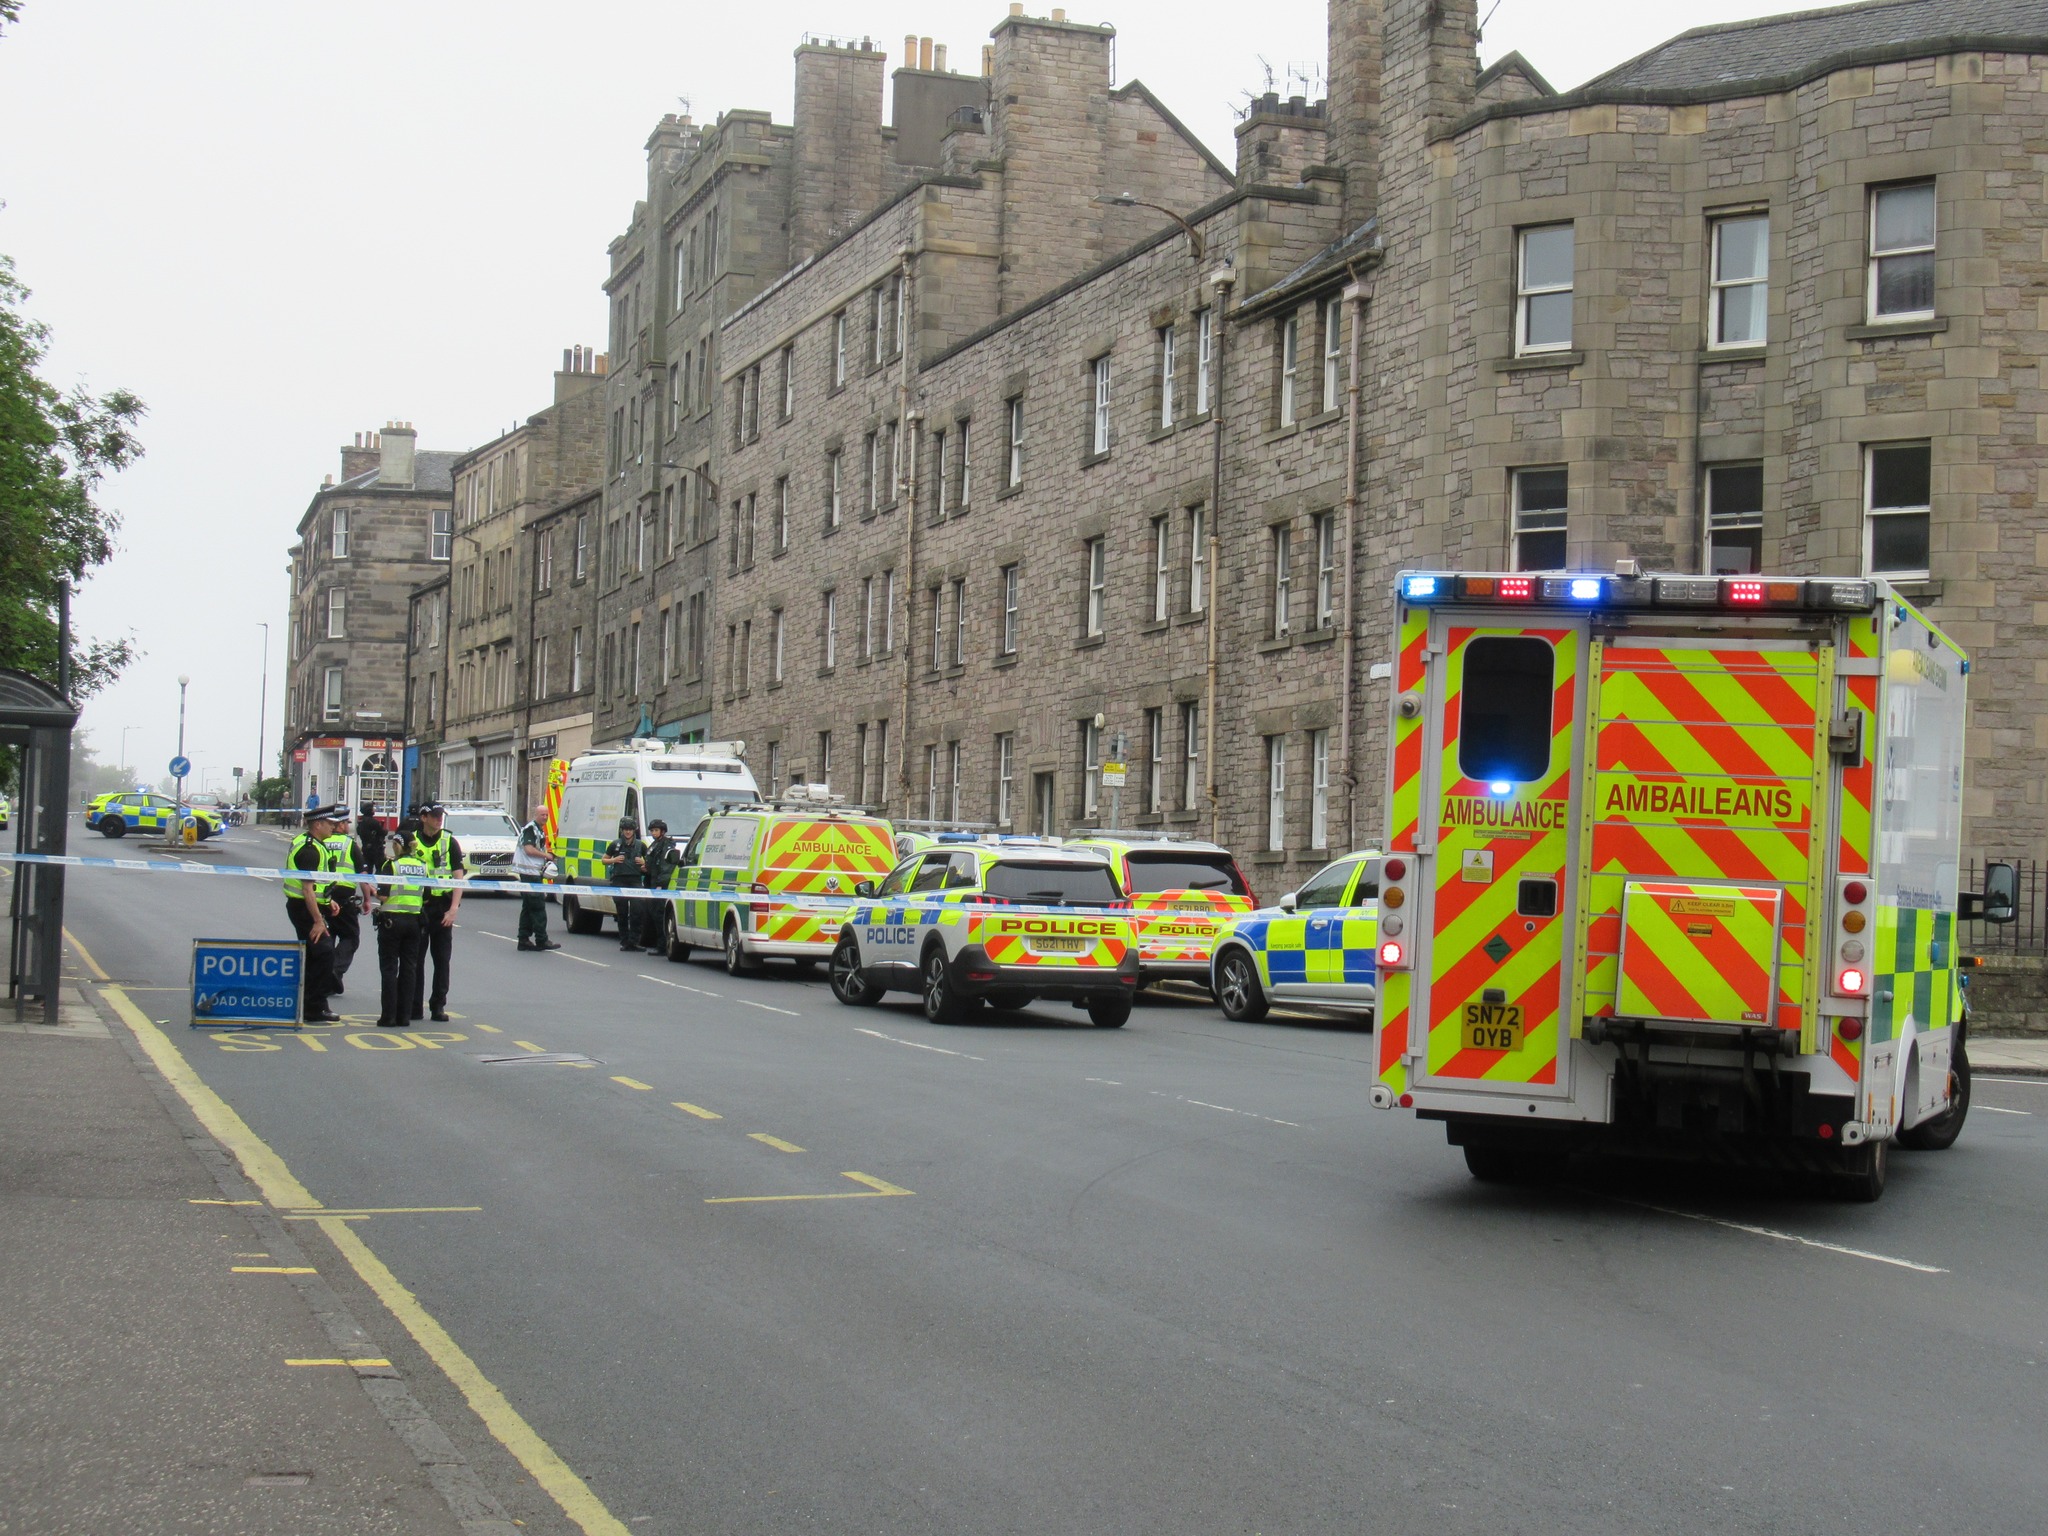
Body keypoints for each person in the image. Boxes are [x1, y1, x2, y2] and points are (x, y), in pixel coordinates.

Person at [407, 802, 465, 1022]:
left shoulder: (449, 841)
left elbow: (458, 877)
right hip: (419, 906)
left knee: (441, 960)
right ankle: (415, 1006)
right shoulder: (411, 840)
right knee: (416, 960)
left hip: (442, 908)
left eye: (441, 815)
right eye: (434, 815)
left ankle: (438, 1005)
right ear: (423, 818)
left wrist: (453, 909)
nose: (439, 819)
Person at [284, 807, 342, 1023]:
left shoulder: (314, 844)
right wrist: (318, 921)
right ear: (317, 825)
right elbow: (307, 889)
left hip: (306, 906)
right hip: (304, 910)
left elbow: (316, 886)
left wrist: (329, 901)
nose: (333, 826)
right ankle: (315, 1007)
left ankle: (310, 1004)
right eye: (329, 823)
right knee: (324, 953)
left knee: (314, 955)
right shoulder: (310, 850)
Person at [370, 831, 428, 1027]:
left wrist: (373, 892)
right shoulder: (422, 866)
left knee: (389, 969)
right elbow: (425, 896)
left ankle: (388, 1016)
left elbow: (384, 896)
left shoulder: (391, 866)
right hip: (414, 923)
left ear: (397, 845)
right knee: (409, 969)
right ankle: (404, 1016)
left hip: (392, 922)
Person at [322, 816, 365, 997]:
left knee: (328, 935)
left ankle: (325, 977)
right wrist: (368, 899)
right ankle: (335, 969)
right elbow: (362, 874)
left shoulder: (322, 842)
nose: (348, 826)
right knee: (351, 936)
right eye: (346, 823)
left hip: (324, 894)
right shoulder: (350, 844)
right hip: (345, 895)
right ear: (339, 825)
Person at [514, 802, 561, 952]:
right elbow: (528, 849)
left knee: (528, 907)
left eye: (547, 815)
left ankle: (523, 940)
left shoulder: (538, 830)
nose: (545, 817)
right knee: (538, 906)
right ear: (536, 815)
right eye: (543, 815)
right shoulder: (530, 829)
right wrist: (546, 856)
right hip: (530, 874)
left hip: (534, 873)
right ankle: (542, 939)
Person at [601, 816, 648, 951]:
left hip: (635, 880)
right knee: (622, 912)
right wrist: (614, 860)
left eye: (630, 829)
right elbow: (604, 860)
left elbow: (649, 863)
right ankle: (624, 941)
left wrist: (644, 863)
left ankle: (634, 941)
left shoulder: (640, 845)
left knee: (637, 911)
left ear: (634, 831)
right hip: (619, 880)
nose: (628, 832)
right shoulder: (615, 844)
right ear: (622, 830)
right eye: (625, 829)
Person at [639, 818, 679, 954]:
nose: (653, 833)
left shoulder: (666, 845)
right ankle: (660, 944)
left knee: (660, 915)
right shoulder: (655, 844)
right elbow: (653, 864)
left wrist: (660, 886)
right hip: (652, 883)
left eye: (656, 830)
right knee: (654, 915)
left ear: (662, 831)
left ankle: (662, 946)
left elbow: (666, 868)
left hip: (659, 886)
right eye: (652, 830)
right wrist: (646, 868)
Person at [357, 801, 388, 870]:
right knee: (380, 869)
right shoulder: (373, 822)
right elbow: (382, 832)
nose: (374, 810)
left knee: (368, 869)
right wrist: (386, 831)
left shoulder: (361, 821)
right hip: (376, 849)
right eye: (372, 808)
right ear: (369, 810)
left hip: (365, 848)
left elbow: (358, 832)